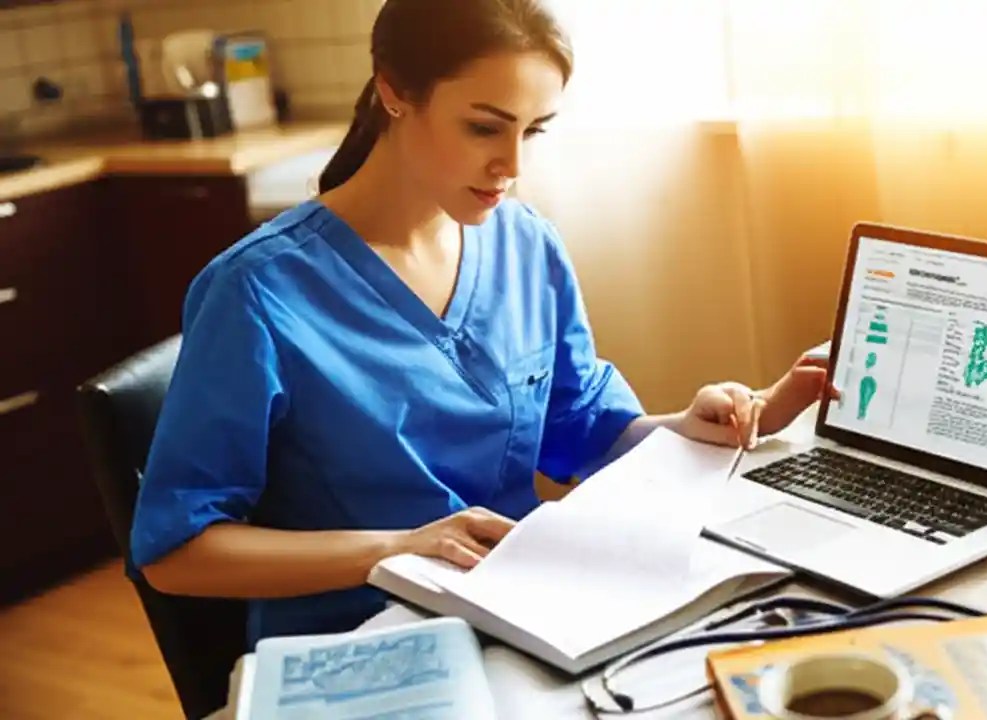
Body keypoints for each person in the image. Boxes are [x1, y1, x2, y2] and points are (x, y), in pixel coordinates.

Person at [131, 0, 835, 645]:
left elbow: (583, 431)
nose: (513, 164)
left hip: (524, 617)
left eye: (534, 131)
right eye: (484, 127)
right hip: (363, 638)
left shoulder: (525, 244)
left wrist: (694, 426)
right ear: (394, 92)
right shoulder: (257, 291)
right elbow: (177, 554)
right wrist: (400, 547)